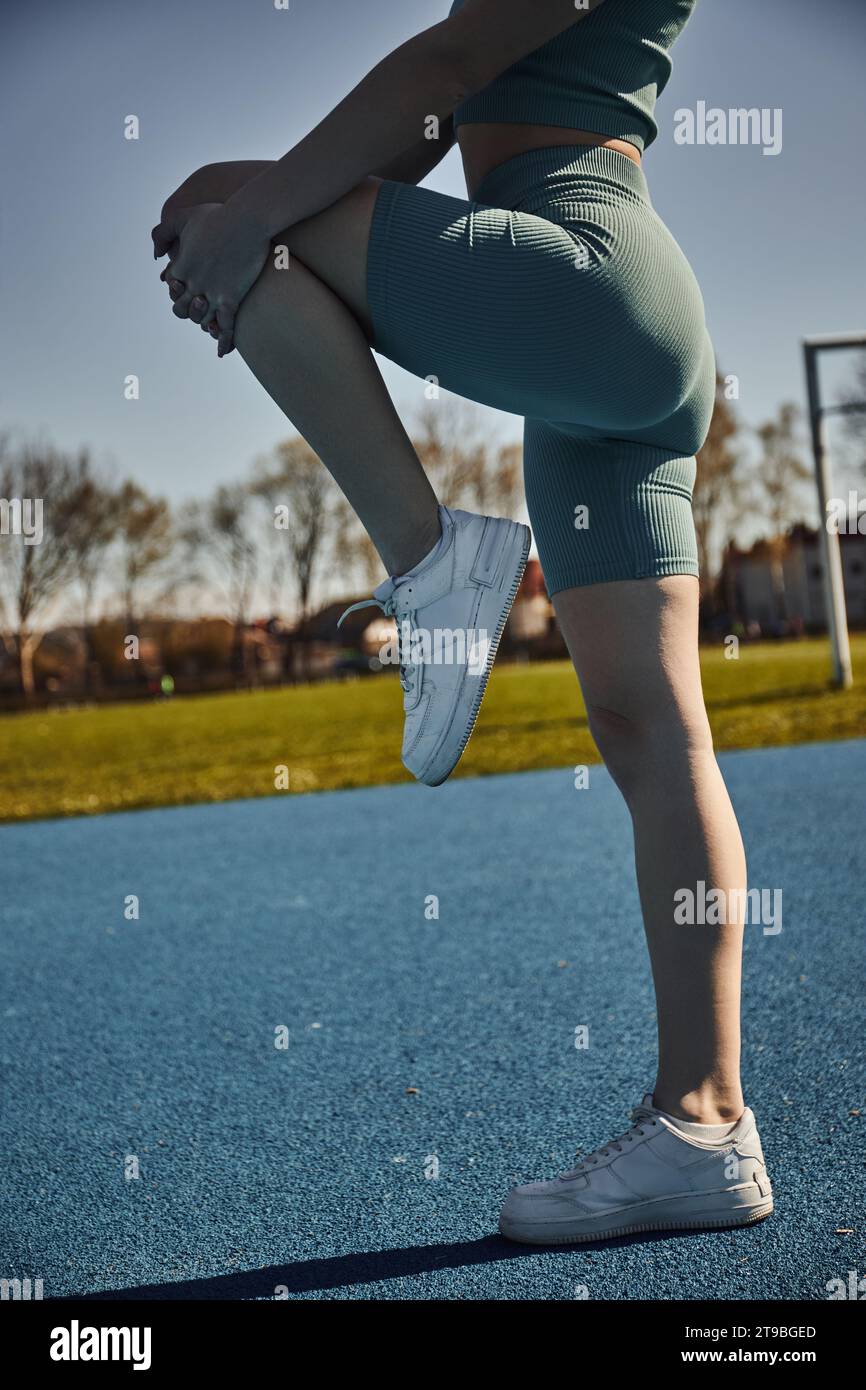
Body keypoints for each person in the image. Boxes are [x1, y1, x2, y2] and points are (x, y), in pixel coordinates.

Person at [152, 0, 773, 1244]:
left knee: (215, 198)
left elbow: (449, 62)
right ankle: (705, 1130)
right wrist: (277, 241)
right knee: (655, 737)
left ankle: (432, 559)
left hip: (589, 278)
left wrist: (257, 220)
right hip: (600, 335)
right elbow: (433, 121)